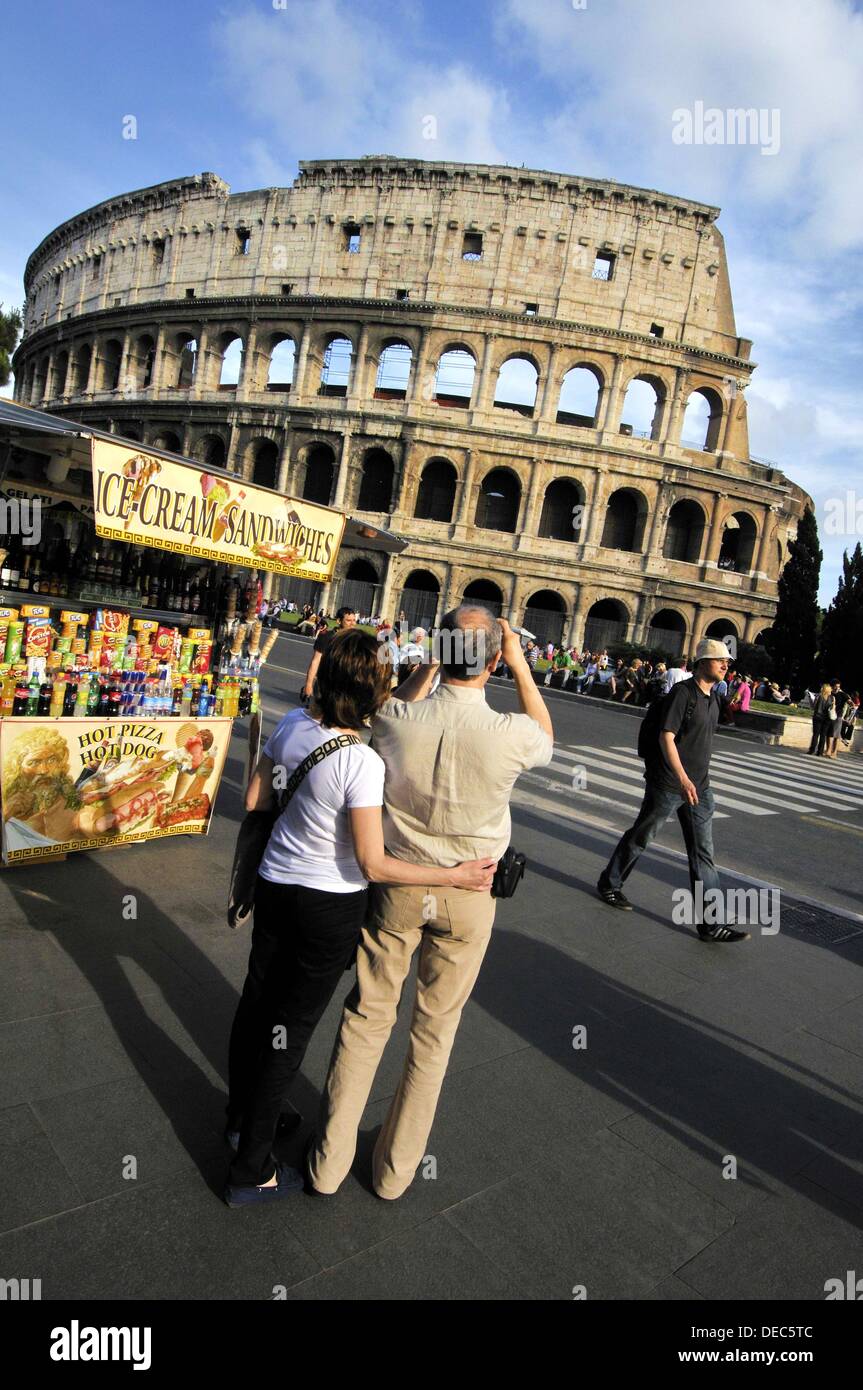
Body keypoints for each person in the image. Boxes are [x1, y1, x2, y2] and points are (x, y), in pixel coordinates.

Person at [223, 629, 495, 1207]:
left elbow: (253, 802)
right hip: (328, 906)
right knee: (288, 1036)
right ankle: (252, 1166)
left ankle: (240, 1116)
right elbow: (374, 863)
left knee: (257, 1005)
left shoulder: (294, 724)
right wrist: (455, 876)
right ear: (373, 689)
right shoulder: (361, 763)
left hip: (274, 885)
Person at [307, 608, 554, 1201]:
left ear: (442, 652)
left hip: (397, 885)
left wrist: (434, 660)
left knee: (367, 1018)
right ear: (494, 660)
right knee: (434, 1033)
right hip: (469, 893)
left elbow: (406, 700)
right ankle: (393, 1173)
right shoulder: (512, 735)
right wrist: (519, 666)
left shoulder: (393, 720)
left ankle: (327, 1164)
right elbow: (545, 732)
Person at [596, 639, 749, 944]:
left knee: (703, 853)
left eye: (727, 662)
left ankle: (710, 923)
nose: (725, 665)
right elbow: (667, 737)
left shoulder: (715, 698)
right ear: (703, 662)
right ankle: (609, 883)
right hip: (669, 783)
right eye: (720, 660)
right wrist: (682, 777)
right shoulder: (684, 693)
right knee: (643, 835)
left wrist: (695, 781)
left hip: (699, 787)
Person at [301, 607, 357, 702]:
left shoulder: (355, 639)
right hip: (326, 685)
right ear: (339, 621)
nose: (353, 624)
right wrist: (308, 685)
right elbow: (315, 661)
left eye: (354, 620)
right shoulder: (326, 637)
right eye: (348, 620)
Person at [808, 683, 835, 756]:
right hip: (827, 719)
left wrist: (810, 699)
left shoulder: (818, 696)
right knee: (823, 735)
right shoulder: (832, 698)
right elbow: (833, 708)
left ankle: (812, 750)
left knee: (815, 734)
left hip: (817, 717)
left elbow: (813, 706)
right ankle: (820, 752)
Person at [826, 680, 850, 759]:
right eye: (836, 686)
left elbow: (850, 702)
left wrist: (852, 704)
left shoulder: (842, 694)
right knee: (829, 734)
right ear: (832, 686)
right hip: (829, 715)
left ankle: (834, 752)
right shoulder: (829, 693)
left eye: (838, 686)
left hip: (838, 716)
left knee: (836, 735)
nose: (837, 688)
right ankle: (828, 750)